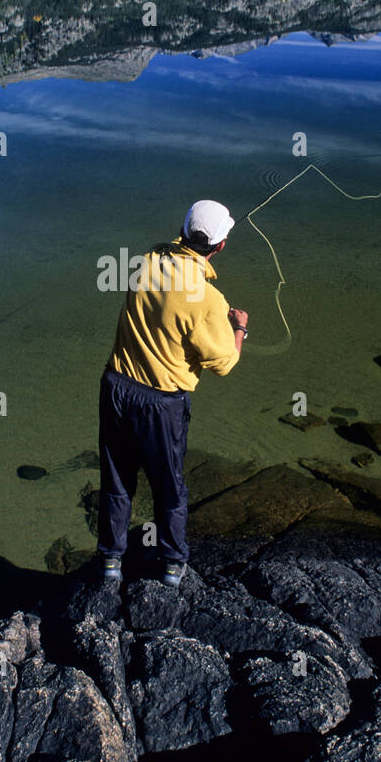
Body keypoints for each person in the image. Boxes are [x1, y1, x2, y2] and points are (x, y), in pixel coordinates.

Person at [96, 199, 248, 589]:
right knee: (169, 486)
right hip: (160, 404)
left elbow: (172, 252)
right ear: (221, 247)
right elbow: (226, 364)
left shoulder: (147, 261)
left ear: (181, 231)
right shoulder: (208, 300)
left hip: (115, 386)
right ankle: (172, 566)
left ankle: (110, 564)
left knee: (116, 480)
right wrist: (239, 328)